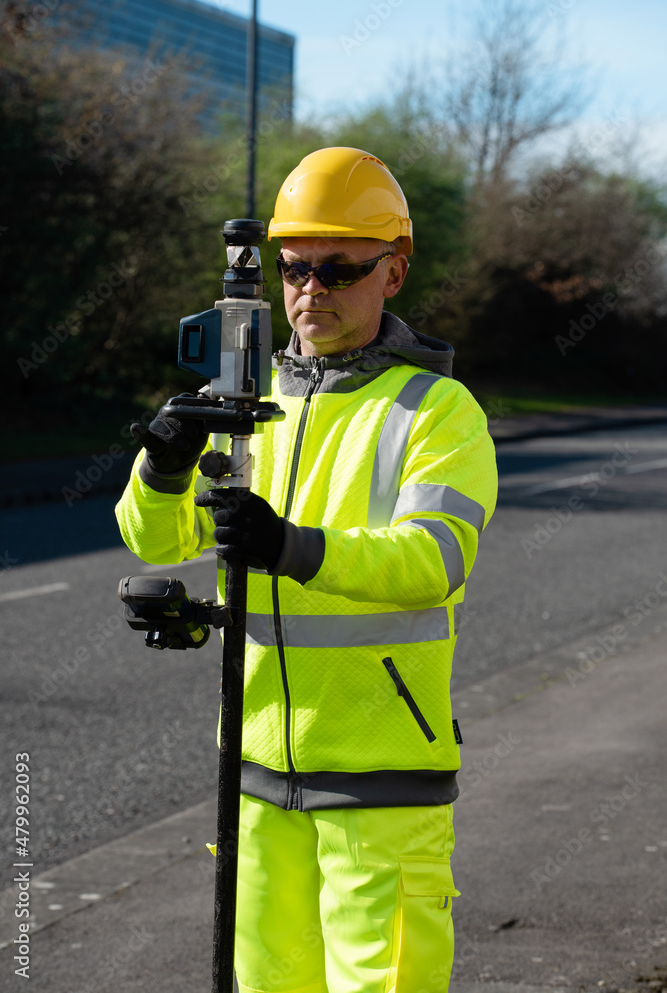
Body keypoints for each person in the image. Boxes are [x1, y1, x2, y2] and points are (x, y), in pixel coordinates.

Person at [116, 146, 498, 993]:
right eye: (294, 269)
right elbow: (152, 538)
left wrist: (287, 545)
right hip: (254, 773)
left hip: (379, 782)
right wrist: (167, 460)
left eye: (338, 269)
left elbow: (432, 559)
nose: (309, 291)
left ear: (392, 272)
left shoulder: (436, 411)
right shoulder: (251, 403)